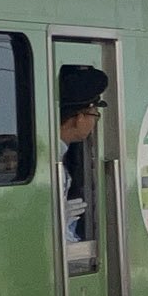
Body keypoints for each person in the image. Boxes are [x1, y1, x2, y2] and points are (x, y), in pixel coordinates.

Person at [57, 65, 109, 244]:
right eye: (95, 114)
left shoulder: (58, 155)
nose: (95, 122)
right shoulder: (53, 163)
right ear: (80, 118)